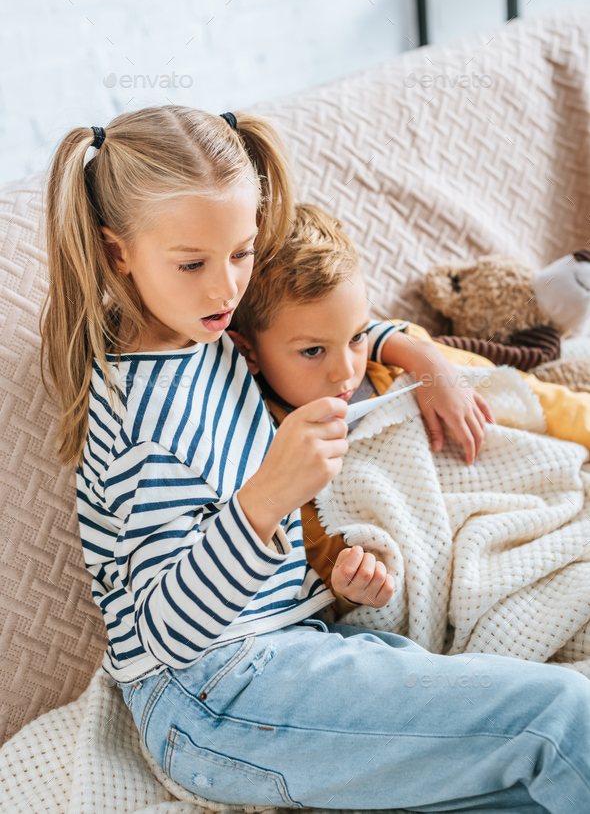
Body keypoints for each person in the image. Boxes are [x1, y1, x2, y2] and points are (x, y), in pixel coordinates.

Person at [40, 106, 590, 813]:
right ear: (120, 254)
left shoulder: (204, 324)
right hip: (212, 697)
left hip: (293, 652)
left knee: (529, 792)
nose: (225, 287)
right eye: (193, 263)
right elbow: (165, 634)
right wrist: (265, 499)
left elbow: (317, 321)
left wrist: (410, 346)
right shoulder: (143, 414)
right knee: (562, 717)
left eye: (241, 253)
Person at [228, 202, 590, 616]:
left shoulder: (403, 359)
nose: (345, 370)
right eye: (313, 351)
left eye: (357, 336)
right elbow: (321, 553)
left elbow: (526, 395)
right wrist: (352, 584)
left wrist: (420, 355)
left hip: (537, 496)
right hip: (461, 578)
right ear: (248, 352)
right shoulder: (278, 450)